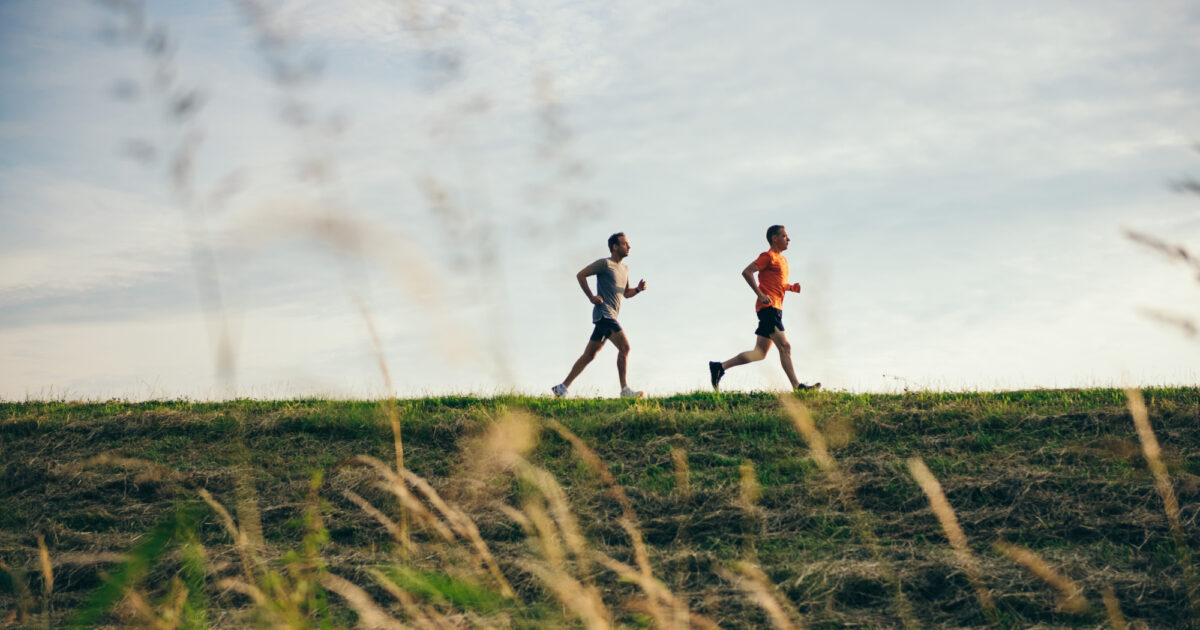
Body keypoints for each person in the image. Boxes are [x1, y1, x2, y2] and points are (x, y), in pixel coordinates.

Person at [709, 225, 820, 392]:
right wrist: (760, 294)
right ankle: (798, 387)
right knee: (785, 346)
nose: (788, 239)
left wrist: (790, 287)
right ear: (774, 238)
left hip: (776, 307)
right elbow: (747, 272)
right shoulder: (767, 256)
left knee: (759, 353)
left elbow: (778, 283)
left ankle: (719, 367)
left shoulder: (783, 260)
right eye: (784, 236)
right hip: (768, 307)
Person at [553, 232, 648, 398]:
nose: (629, 246)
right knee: (625, 347)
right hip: (604, 314)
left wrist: (638, 290)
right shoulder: (605, 264)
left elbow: (626, 293)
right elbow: (580, 275)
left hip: (610, 316)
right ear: (615, 247)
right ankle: (625, 390)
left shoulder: (625, 269)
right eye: (625, 244)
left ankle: (562, 387)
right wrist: (591, 296)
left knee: (590, 355)